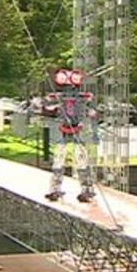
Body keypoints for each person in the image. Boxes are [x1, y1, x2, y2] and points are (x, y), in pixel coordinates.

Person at [45, 68, 97, 203]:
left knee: (81, 159)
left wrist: (90, 111)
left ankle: (86, 189)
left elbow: (92, 109)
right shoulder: (57, 96)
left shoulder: (83, 96)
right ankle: (55, 188)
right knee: (58, 159)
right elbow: (47, 106)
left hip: (78, 128)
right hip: (62, 128)